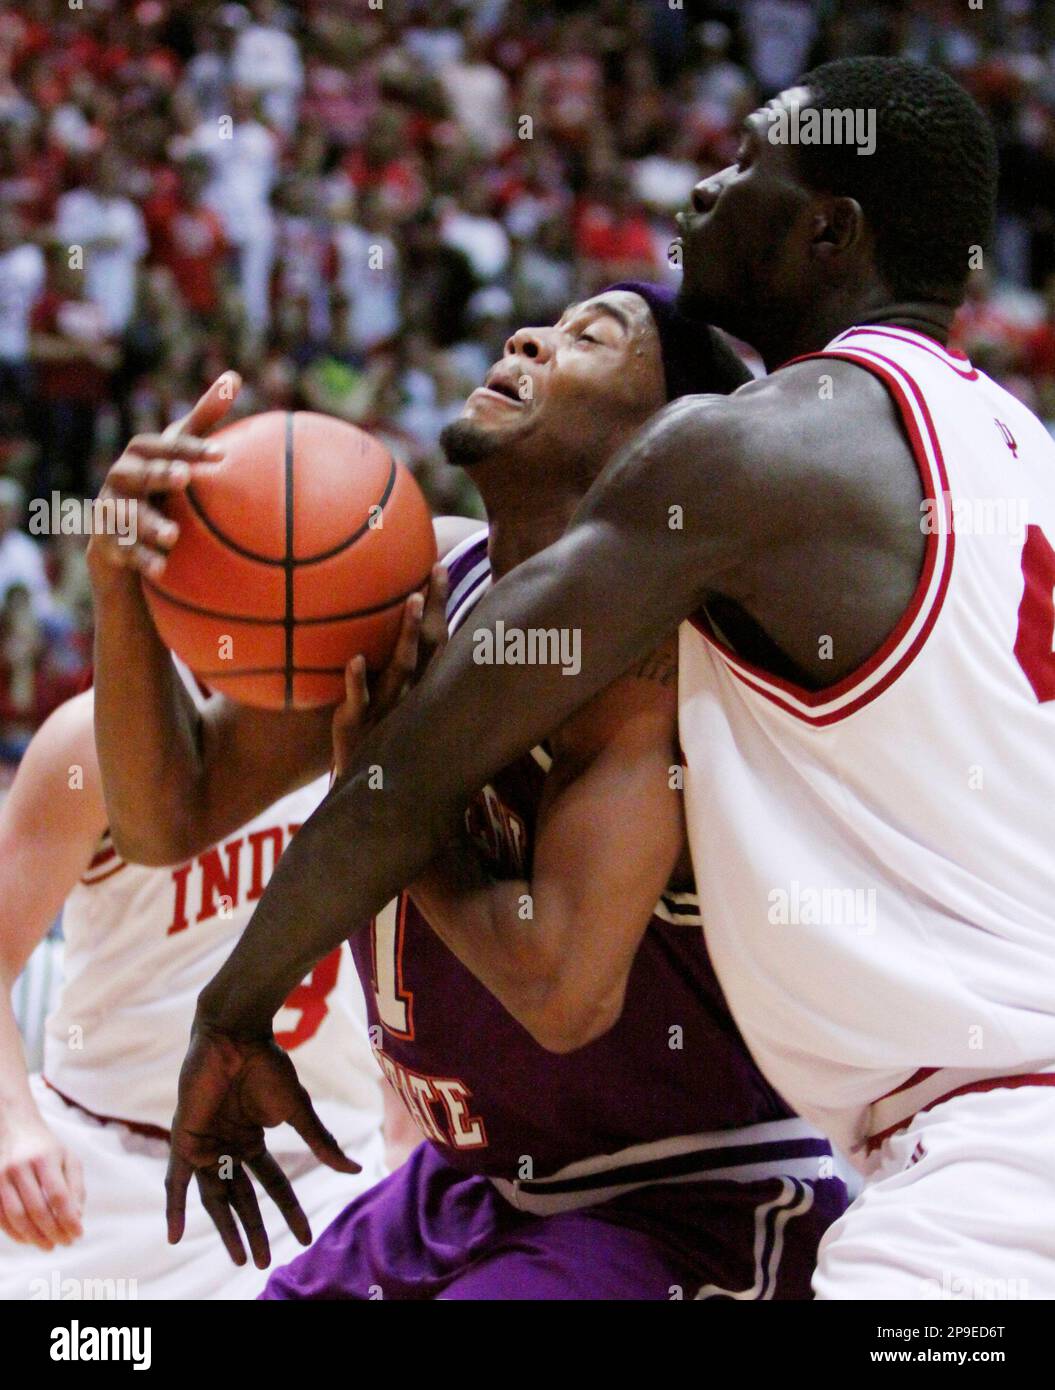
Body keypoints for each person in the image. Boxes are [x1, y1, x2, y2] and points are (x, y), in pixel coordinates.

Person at [163, 56, 1055, 1301]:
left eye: (748, 161)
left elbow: (419, 764)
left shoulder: (757, 450)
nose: (701, 186)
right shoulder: (1012, 442)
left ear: (828, 229)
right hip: (948, 1136)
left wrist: (229, 1010)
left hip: (983, 1155)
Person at [88, 290, 845, 1298]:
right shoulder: (407, 580)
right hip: (474, 1188)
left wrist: (398, 789)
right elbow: (163, 818)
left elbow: (559, 989)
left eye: (591, 341)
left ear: (662, 443)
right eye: (545, 323)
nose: (528, 336)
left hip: (675, 1199)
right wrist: (119, 580)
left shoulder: (650, 663)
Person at [0, 675, 390, 1299]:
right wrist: (12, 1126)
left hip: (321, 1188)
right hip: (101, 1180)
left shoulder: (382, 709)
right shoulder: (92, 735)